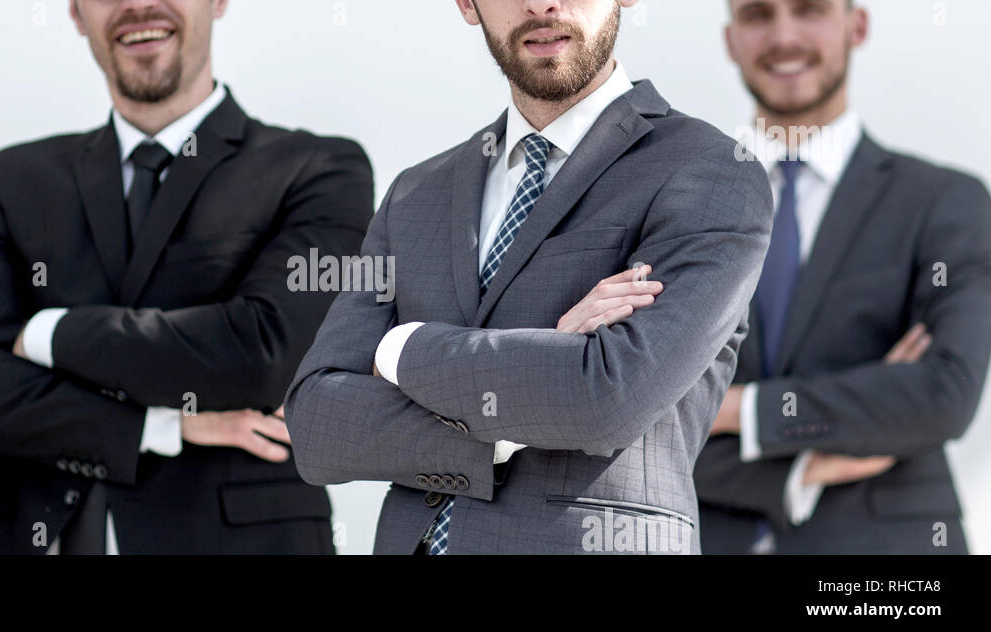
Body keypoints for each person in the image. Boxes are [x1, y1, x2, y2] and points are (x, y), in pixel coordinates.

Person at [285, 0, 772, 555]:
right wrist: (540, 375)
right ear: (467, 5)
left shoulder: (709, 172)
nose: (543, 4)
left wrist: (399, 348)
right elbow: (317, 425)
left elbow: (605, 398)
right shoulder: (416, 192)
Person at [0, 0, 374, 554]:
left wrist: (45, 333)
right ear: (76, 13)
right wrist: (159, 426)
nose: (137, 6)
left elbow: (263, 357)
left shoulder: (319, 169)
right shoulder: (12, 180)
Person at [695, 0, 991, 554]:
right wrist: (801, 471)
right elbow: (639, 417)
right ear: (731, 40)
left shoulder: (945, 202)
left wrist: (732, 408)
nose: (784, 36)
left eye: (809, 10)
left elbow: (943, 392)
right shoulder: (680, 207)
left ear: (857, 25)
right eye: (758, 15)